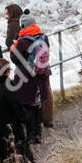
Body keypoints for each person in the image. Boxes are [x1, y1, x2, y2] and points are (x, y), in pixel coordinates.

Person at [11, 12, 50, 143]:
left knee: (28, 107)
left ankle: (31, 136)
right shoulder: (43, 37)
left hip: (27, 79)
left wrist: (13, 47)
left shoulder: (23, 41)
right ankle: (38, 133)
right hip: (41, 76)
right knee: (37, 106)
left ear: (23, 25)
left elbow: (14, 59)